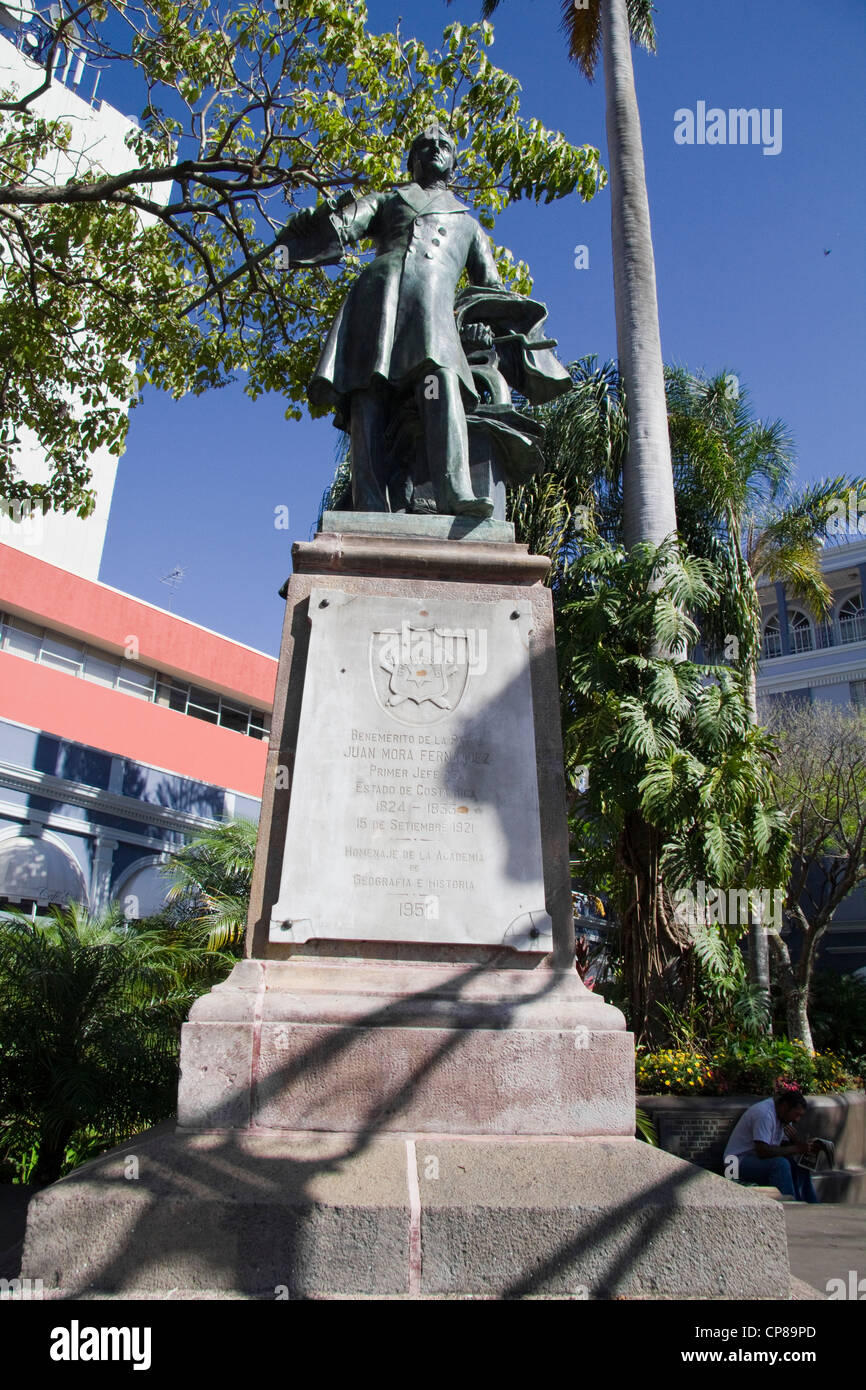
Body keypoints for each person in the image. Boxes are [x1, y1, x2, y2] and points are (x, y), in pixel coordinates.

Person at [277, 123, 510, 517]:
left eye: (444, 145)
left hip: (432, 312)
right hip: (375, 300)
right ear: (412, 160)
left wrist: (480, 326)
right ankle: (368, 501)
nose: (434, 149)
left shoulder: (469, 225)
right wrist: (303, 233)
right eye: (425, 145)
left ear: (453, 163)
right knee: (368, 392)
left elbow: (491, 291)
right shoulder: (387, 200)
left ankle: (454, 490)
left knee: (441, 380)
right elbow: (342, 227)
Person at [724, 1088, 820, 1202]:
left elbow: (783, 1147)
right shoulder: (764, 1114)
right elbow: (763, 1151)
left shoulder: (784, 1116)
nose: (797, 1120)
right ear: (785, 1106)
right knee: (780, 1165)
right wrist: (797, 1148)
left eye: (800, 1116)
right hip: (734, 1164)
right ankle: (790, 1206)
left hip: (756, 1160)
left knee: (799, 1166)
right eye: (796, 1115)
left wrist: (798, 1143)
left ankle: (811, 1205)